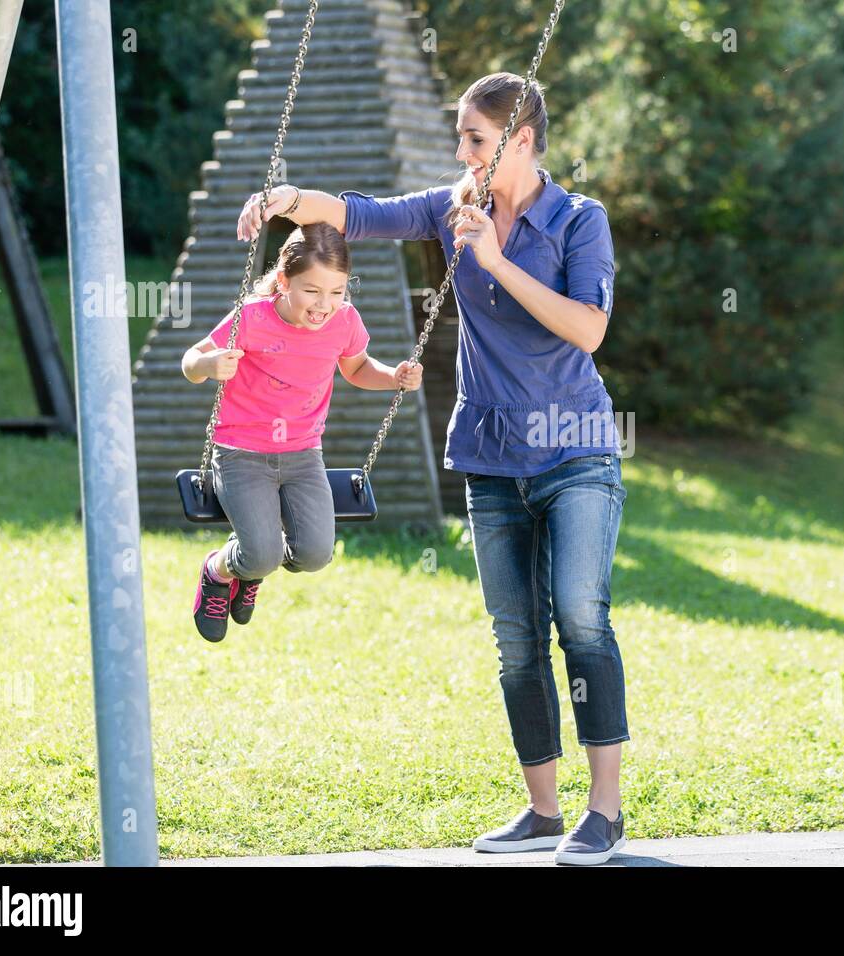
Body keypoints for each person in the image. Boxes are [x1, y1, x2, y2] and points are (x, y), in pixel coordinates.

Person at [236, 73, 628, 865]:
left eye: (475, 140)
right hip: (491, 456)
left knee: (580, 619)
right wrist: (288, 198)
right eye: (459, 138)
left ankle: (605, 811)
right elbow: (367, 216)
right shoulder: (454, 206)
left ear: (519, 141)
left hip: (576, 449)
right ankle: (543, 811)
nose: (462, 152)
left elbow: (587, 328)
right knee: (516, 638)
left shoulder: (579, 221)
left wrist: (493, 257)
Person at [182, 222, 422, 642]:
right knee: (260, 553)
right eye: (312, 291)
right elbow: (191, 359)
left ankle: (253, 568)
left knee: (314, 555)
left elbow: (357, 367)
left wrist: (393, 377)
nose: (324, 304)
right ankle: (220, 571)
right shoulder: (252, 318)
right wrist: (208, 366)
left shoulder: (344, 321)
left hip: (303, 455)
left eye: (336, 292)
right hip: (241, 452)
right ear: (283, 281)